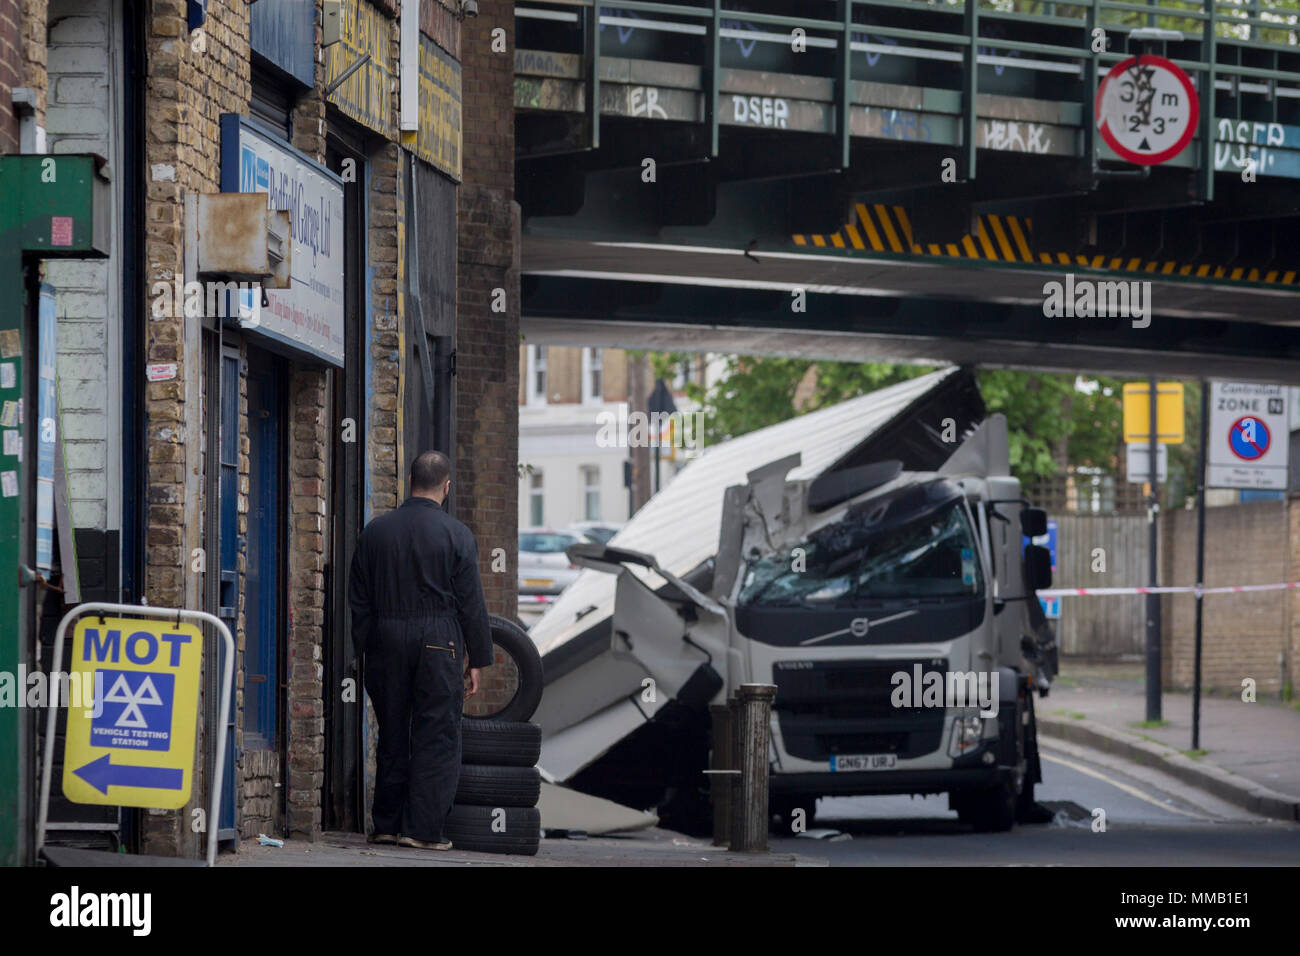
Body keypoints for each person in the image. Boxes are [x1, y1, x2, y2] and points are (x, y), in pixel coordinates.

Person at [348, 450, 493, 849]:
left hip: (386, 638)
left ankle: (387, 824)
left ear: (409, 482)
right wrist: (477, 658)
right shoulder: (457, 535)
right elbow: (471, 602)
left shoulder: (375, 532)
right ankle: (422, 831)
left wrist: (365, 645)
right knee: (436, 733)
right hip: (438, 639)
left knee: (393, 731)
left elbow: (357, 597)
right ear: (446, 487)